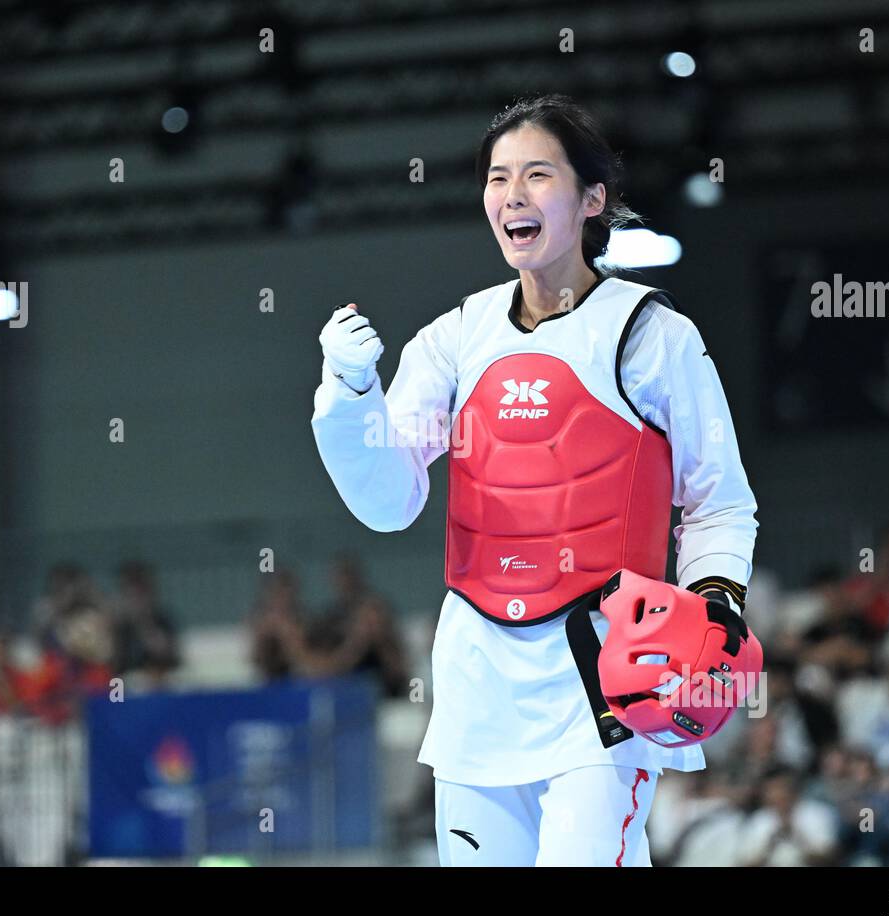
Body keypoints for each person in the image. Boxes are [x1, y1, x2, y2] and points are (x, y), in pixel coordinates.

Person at [311, 94, 758, 866]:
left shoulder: (652, 333)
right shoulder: (454, 338)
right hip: (477, 684)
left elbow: (718, 498)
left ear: (591, 199)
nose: (512, 195)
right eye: (497, 178)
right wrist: (350, 394)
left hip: (605, 679)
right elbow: (387, 504)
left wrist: (717, 602)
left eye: (537, 175)